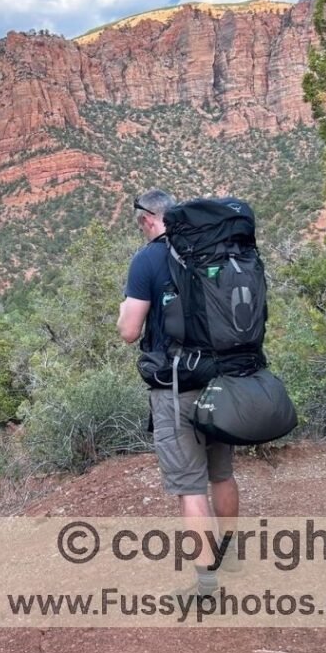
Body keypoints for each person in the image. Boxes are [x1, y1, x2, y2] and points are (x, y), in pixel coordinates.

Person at [116, 188, 239, 598]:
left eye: (141, 224)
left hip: (176, 387)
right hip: (221, 381)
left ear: (148, 220)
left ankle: (206, 585)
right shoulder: (209, 248)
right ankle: (230, 555)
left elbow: (129, 331)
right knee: (221, 473)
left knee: (190, 486)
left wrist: (123, 313)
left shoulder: (148, 259)